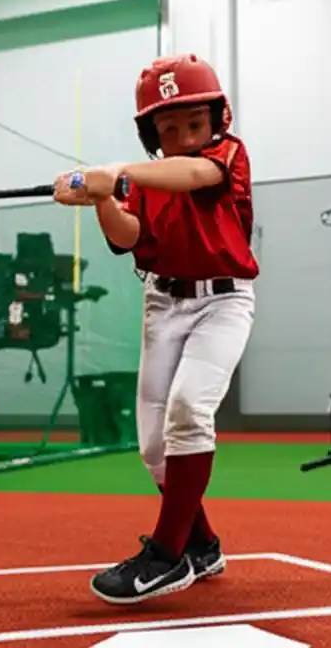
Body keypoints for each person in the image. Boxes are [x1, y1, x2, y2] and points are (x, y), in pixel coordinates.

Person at [52, 54, 258, 604]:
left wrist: (114, 172)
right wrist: (99, 197)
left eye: (195, 123)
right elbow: (127, 236)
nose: (185, 137)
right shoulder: (143, 181)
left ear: (216, 120)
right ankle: (204, 546)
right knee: (152, 447)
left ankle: (167, 555)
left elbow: (195, 174)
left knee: (190, 410)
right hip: (163, 303)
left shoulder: (226, 155)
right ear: (153, 133)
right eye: (169, 128)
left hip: (223, 301)